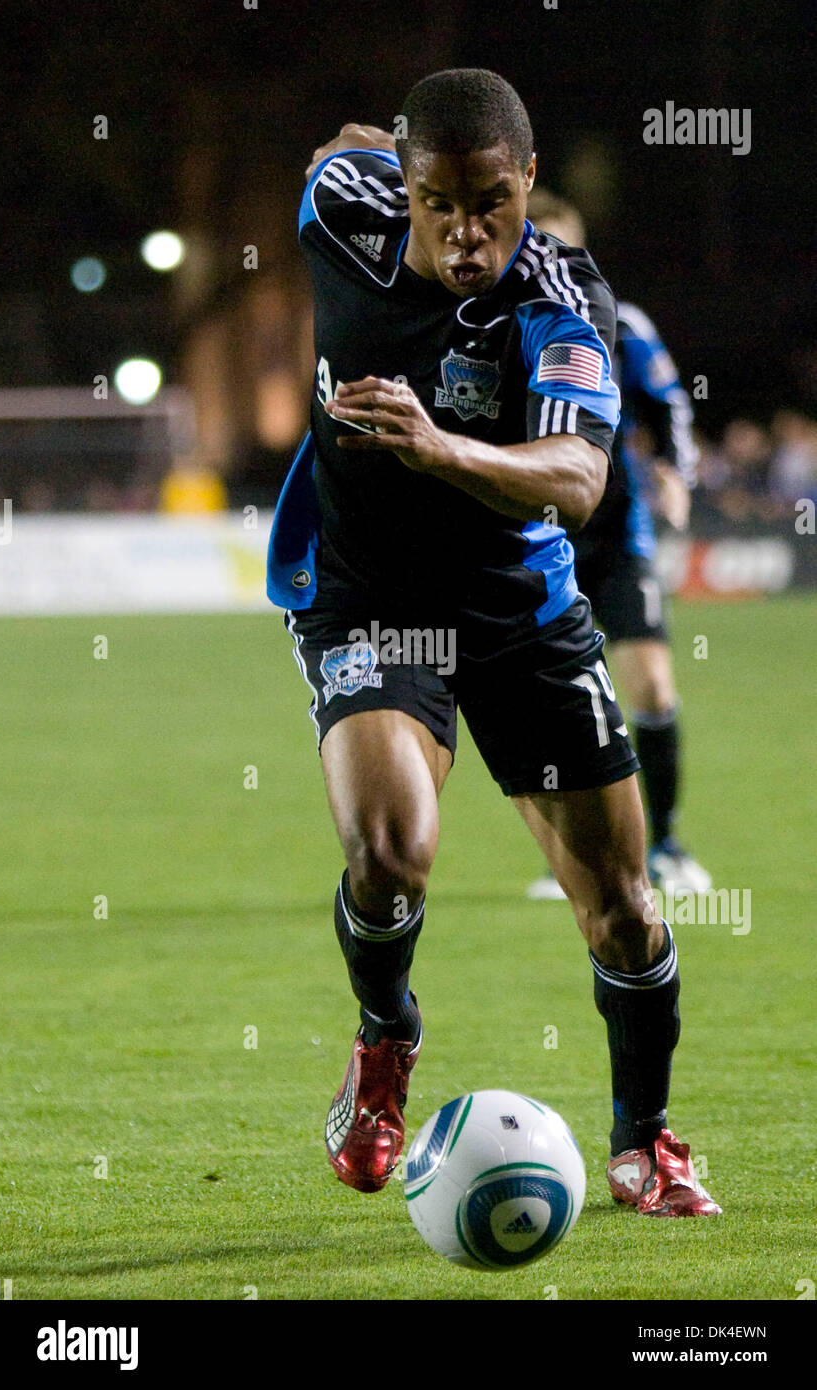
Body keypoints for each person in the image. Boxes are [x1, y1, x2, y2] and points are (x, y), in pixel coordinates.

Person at [267, 69, 720, 1217]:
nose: (467, 232)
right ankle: (383, 1048)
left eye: (491, 203)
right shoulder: (340, 204)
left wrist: (439, 448)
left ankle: (641, 1141)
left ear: (526, 181)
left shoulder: (564, 299)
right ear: (404, 185)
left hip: (518, 611)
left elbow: (573, 478)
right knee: (387, 850)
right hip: (366, 599)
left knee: (620, 901)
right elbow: (342, 139)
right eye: (438, 201)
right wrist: (383, 141)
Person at [524, 190, 711, 901]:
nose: (556, 263)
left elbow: (669, 402)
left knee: (653, 687)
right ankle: (573, 856)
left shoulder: (621, 324)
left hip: (618, 537)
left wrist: (674, 472)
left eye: (568, 250)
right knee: (563, 705)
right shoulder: (501, 325)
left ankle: (665, 842)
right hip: (540, 542)